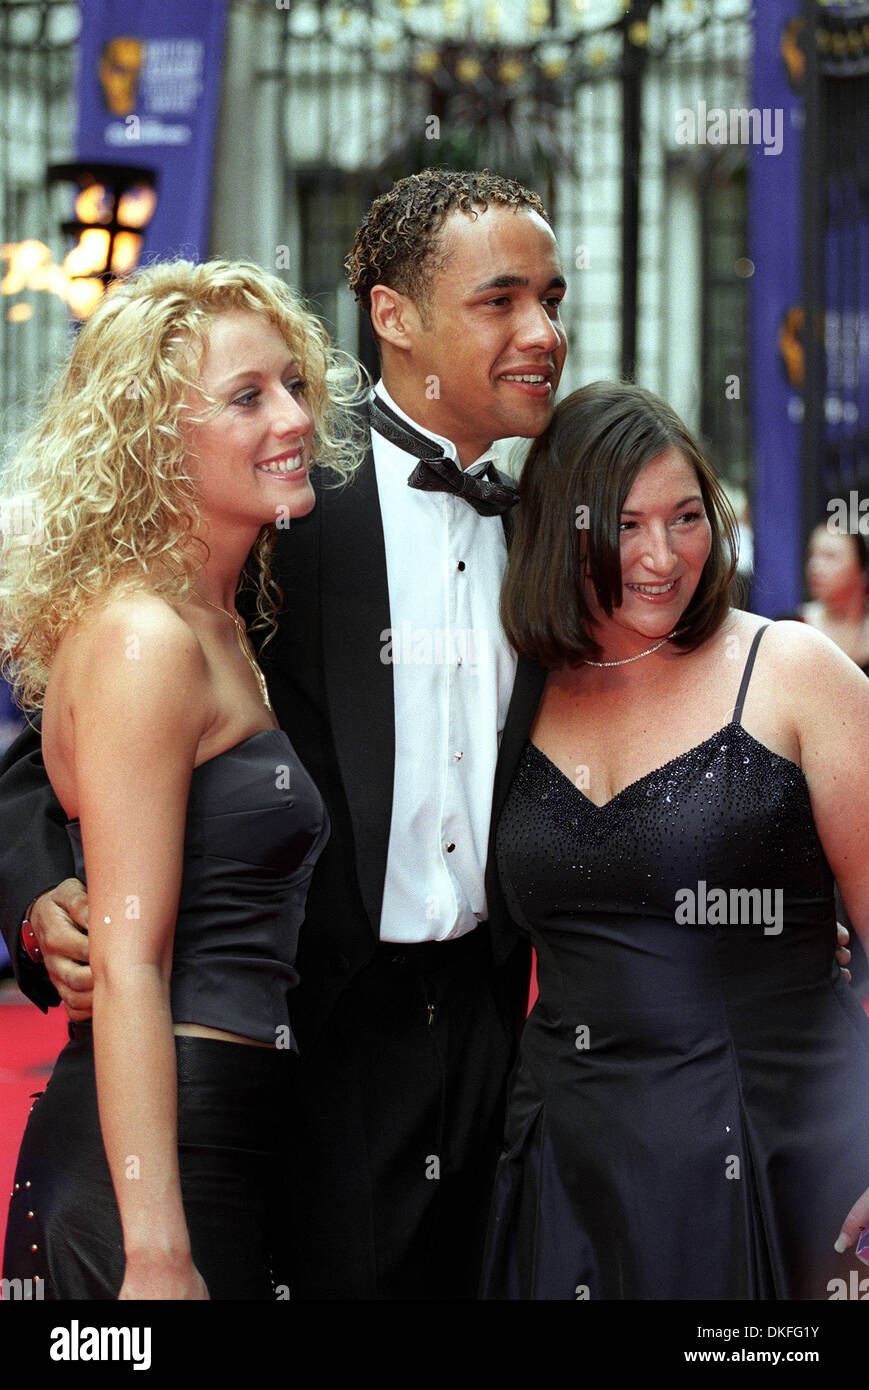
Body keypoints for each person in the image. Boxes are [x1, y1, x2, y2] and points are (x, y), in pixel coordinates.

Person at [0, 168, 567, 1299]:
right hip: (310, 1044)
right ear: (394, 317)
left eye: (552, 298)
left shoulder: (560, 512)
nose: (541, 332)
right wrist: (39, 889)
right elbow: (49, 749)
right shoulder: (283, 498)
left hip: (494, 1037)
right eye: (500, 301)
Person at [0, 258, 361, 1298]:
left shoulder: (218, 625)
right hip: (154, 1168)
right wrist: (156, 1248)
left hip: (228, 1133)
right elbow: (127, 967)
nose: (294, 416)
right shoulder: (143, 640)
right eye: (247, 397)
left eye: (293, 384)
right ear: (156, 438)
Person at [481, 380, 869, 1300]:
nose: (662, 557)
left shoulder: (794, 670)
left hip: (783, 1150)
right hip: (568, 1164)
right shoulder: (512, 688)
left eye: (686, 516)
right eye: (624, 525)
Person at [798, 525, 869, 675]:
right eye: (812, 555)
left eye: (830, 556)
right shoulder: (793, 626)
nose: (814, 566)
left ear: (861, 569)